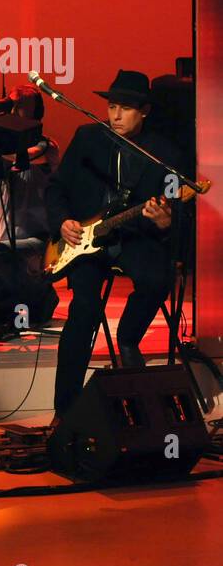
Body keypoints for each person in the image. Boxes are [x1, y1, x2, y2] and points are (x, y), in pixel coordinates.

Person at [45, 70, 181, 418]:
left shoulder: (163, 153)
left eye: (126, 109)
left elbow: (178, 210)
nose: (116, 115)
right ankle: (66, 410)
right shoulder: (88, 138)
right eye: (112, 107)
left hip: (135, 238)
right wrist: (63, 222)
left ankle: (129, 338)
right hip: (86, 243)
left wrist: (167, 222)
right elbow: (56, 188)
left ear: (145, 111)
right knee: (83, 313)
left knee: (157, 279)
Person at [0, 83, 60, 328]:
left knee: (0, 256)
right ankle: (19, 312)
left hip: (39, 240)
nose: (13, 111)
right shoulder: (0, 154)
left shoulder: (47, 147)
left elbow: (24, 156)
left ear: (35, 113)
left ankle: (40, 295)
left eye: (19, 106)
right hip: (7, 243)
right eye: (10, 104)